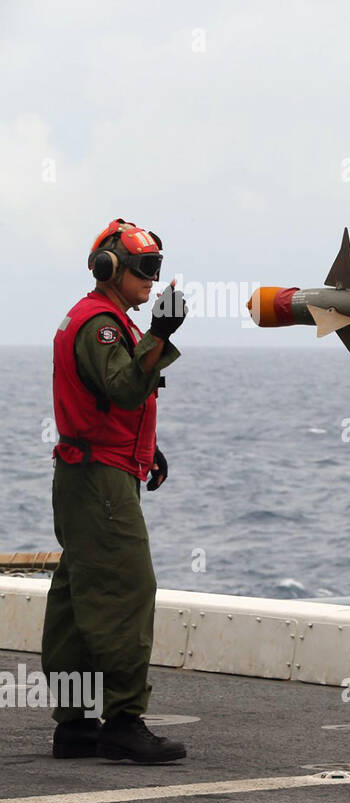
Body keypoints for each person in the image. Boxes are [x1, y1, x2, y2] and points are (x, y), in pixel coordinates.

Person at [43, 218, 188, 763]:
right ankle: (124, 721)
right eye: (145, 269)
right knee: (128, 587)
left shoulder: (97, 320)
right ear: (110, 270)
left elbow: (106, 404)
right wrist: (163, 334)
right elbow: (125, 389)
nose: (153, 279)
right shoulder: (101, 326)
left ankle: (76, 725)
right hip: (99, 481)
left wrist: (145, 450)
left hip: (90, 469)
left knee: (78, 594)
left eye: (156, 268)